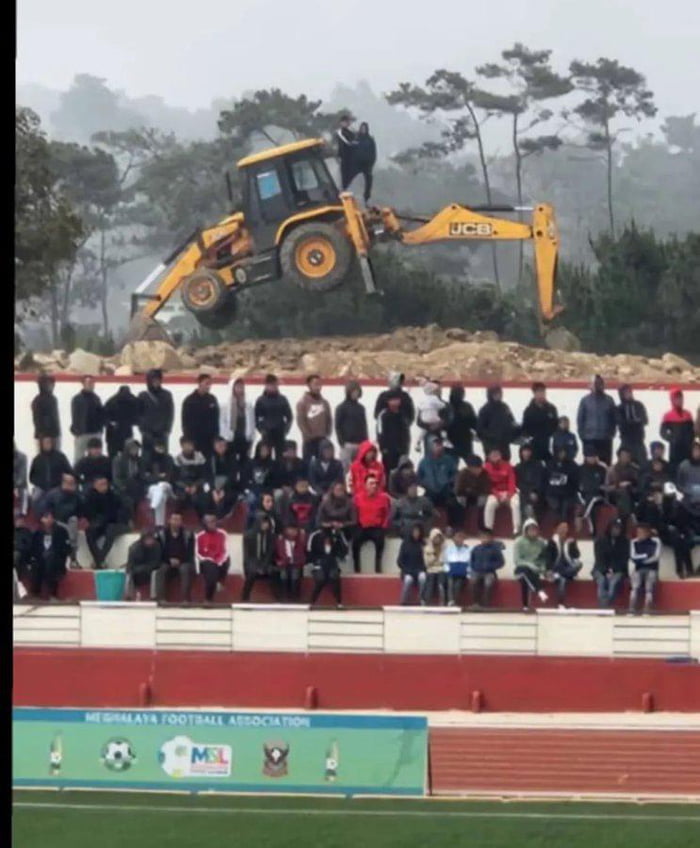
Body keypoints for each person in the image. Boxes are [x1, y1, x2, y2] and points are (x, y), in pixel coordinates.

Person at [82, 476, 129, 569]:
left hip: (115, 523)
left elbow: (121, 512)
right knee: (89, 532)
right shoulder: (89, 496)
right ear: (95, 485)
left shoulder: (114, 495)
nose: (104, 487)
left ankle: (99, 560)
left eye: (105, 484)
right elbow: (88, 513)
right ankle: (100, 560)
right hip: (99, 523)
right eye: (101, 484)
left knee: (110, 530)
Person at [352, 475, 391, 573]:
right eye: (371, 483)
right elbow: (354, 513)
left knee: (380, 541)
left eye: (376, 483)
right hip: (362, 527)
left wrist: (384, 526)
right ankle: (357, 569)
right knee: (355, 542)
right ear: (365, 485)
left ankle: (378, 568)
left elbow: (387, 514)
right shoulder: (358, 498)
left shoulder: (383, 498)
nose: (374, 486)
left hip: (376, 527)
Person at [28, 511, 71, 600]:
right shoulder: (38, 532)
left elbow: (67, 548)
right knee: (36, 565)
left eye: (49, 517)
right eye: (45, 518)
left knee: (50, 563)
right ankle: (35, 593)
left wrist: (58, 555)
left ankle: (52, 594)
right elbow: (33, 548)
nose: (47, 520)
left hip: (57, 559)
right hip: (40, 559)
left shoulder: (61, 531)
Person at [43, 473, 82, 568]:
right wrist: (48, 517)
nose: (70, 484)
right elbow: (46, 509)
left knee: (73, 522)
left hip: (70, 522)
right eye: (68, 482)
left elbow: (81, 510)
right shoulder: (52, 494)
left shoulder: (76, 496)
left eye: (72, 482)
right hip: (56, 521)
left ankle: (73, 558)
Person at [576, 375, 616, 466]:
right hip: (589, 439)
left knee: (605, 465)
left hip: (605, 439)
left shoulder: (609, 400)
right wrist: (582, 435)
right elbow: (580, 419)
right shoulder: (585, 401)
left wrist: (611, 434)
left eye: (600, 384)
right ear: (590, 385)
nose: (598, 386)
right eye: (595, 384)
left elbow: (613, 419)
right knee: (589, 466)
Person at [155, 512, 196, 602]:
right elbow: (159, 552)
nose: (176, 522)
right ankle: (161, 599)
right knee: (161, 570)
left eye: (178, 520)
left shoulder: (188, 535)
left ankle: (185, 599)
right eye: (174, 519)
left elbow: (190, 553)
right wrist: (169, 560)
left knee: (185, 569)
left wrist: (179, 560)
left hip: (183, 561)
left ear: (181, 522)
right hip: (166, 561)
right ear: (169, 521)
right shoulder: (161, 535)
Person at [138, 369, 174, 461]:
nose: (156, 382)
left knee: (162, 459)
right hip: (147, 433)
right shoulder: (143, 396)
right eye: (153, 380)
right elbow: (139, 415)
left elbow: (170, 414)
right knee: (147, 459)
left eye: (158, 380)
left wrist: (167, 430)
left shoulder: (167, 395)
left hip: (162, 433)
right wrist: (143, 430)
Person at [254, 374, 293, 460]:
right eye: (271, 385)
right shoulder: (261, 400)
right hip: (267, 433)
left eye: (275, 384)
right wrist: (261, 430)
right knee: (266, 457)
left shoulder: (282, 399)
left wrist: (286, 429)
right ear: (266, 385)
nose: (273, 387)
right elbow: (256, 418)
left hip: (280, 433)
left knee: (281, 458)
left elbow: (289, 417)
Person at [200, 436, 240, 520]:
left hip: (227, 486)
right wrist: (213, 490)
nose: (221, 448)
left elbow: (233, 476)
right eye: (219, 445)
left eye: (223, 445)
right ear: (214, 446)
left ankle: (220, 518)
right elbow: (207, 476)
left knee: (229, 497)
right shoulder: (210, 458)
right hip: (212, 486)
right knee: (205, 495)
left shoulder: (232, 458)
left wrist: (223, 490)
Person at [29, 436, 72, 512]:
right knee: (34, 499)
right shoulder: (37, 459)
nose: (47, 445)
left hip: (57, 486)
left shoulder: (60, 457)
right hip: (41, 487)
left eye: (49, 442)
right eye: (45, 443)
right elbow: (31, 477)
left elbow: (69, 472)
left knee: (57, 498)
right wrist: (39, 483)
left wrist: (63, 482)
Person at [513, 518, 549, 610]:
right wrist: (529, 565)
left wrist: (543, 568)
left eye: (534, 529)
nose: (533, 531)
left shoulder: (541, 542)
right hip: (521, 568)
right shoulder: (519, 541)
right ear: (525, 530)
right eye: (530, 529)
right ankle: (539, 590)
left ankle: (525, 606)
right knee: (525, 572)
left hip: (535, 570)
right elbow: (517, 560)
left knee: (526, 579)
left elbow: (543, 558)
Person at [181, 374, 220, 460]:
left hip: (209, 441)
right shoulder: (189, 400)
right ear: (199, 383)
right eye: (206, 383)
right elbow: (185, 422)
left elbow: (216, 420)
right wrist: (188, 439)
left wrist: (216, 438)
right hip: (194, 440)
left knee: (207, 464)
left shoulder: (212, 399)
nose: (209, 386)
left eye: (210, 384)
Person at [592, 518, 629, 608]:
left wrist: (613, 570)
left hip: (618, 570)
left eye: (619, 528)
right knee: (601, 581)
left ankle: (606, 605)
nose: (617, 530)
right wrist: (606, 571)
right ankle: (603, 607)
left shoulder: (625, 542)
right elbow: (599, 558)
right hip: (600, 569)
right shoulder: (600, 541)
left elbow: (624, 559)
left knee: (613, 583)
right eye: (615, 528)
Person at [296, 374, 332, 464]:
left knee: (322, 465)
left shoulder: (325, 403)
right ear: (309, 385)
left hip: (322, 440)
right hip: (309, 441)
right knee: (307, 465)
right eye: (315, 384)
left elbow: (329, 419)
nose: (318, 387)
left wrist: (327, 433)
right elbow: (301, 421)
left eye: (319, 384)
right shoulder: (302, 402)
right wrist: (308, 435)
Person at [483, 448, 520, 536]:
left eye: (497, 454)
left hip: (509, 492)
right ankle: (488, 529)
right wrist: (498, 496)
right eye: (493, 455)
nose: (495, 457)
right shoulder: (486, 467)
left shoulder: (508, 466)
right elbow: (488, 484)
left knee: (516, 504)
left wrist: (509, 495)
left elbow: (512, 482)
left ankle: (516, 530)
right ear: (489, 456)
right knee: (489, 504)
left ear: (500, 456)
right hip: (494, 493)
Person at [545, 521, 582, 609]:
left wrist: (572, 545)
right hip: (556, 566)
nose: (564, 530)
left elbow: (577, 555)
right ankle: (560, 603)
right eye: (561, 528)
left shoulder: (570, 540)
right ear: (556, 530)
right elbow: (548, 557)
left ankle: (559, 574)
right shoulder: (552, 542)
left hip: (567, 566)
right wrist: (549, 569)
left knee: (579, 564)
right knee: (562, 580)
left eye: (566, 528)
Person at [308, 525, 347, 607]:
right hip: (319, 563)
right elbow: (309, 551)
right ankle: (312, 602)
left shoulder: (337, 536)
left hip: (332, 563)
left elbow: (344, 549)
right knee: (320, 579)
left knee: (334, 577)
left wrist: (339, 538)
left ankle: (339, 602)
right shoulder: (315, 536)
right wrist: (315, 563)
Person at [476, 385, 518, 461]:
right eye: (496, 394)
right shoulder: (485, 410)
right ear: (490, 395)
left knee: (505, 464)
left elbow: (512, 422)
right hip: (491, 447)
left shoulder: (505, 407)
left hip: (504, 445)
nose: (498, 395)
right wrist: (494, 436)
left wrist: (514, 433)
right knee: (492, 466)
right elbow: (480, 430)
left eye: (500, 393)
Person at [241, 513, 276, 602]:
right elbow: (247, 555)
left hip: (265, 561)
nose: (265, 525)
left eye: (267, 523)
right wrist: (254, 566)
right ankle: (245, 596)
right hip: (253, 561)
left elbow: (269, 553)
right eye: (263, 523)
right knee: (251, 572)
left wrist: (264, 565)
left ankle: (277, 597)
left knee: (276, 571)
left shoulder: (271, 536)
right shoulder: (248, 535)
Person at [334, 380, 368, 472]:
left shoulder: (361, 408)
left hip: (360, 443)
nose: (355, 393)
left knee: (360, 469)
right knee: (344, 469)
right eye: (353, 391)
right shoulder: (341, 408)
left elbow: (364, 426)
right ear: (348, 392)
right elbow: (337, 426)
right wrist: (341, 442)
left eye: (357, 391)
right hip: (347, 444)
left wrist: (365, 442)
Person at [219, 376, 255, 464]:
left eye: (241, 387)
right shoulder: (225, 405)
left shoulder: (248, 405)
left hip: (245, 438)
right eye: (237, 387)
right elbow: (222, 422)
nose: (240, 389)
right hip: (231, 439)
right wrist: (226, 436)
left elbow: (252, 422)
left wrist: (251, 437)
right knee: (230, 463)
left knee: (244, 463)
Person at [195, 513, 230, 602]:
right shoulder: (200, 535)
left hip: (220, 560)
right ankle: (208, 598)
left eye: (213, 521)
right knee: (211, 570)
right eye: (209, 522)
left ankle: (220, 582)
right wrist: (209, 560)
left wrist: (219, 561)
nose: (212, 524)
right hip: (206, 561)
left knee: (227, 560)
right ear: (204, 523)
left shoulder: (223, 534)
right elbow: (198, 553)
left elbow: (226, 550)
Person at [241, 441, 279, 523]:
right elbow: (244, 479)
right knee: (250, 499)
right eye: (262, 450)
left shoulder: (273, 464)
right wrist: (249, 489)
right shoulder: (250, 463)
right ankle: (250, 523)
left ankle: (271, 522)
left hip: (267, 490)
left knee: (270, 500)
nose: (264, 452)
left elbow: (275, 481)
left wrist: (266, 492)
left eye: (266, 450)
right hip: (253, 490)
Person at [70, 375, 104, 464]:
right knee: (79, 458)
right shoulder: (77, 399)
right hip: (82, 433)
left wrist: (100, 429)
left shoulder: (96, 399)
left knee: (96, 458)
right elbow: (74, 415)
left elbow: (101, 414)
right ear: (83, 384)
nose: (90, 385)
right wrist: (77, 431)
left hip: (95, 432)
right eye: (88, 383)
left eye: (92, 383)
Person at [660, 387, 695, 474]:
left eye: (681, 398)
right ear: (672, 400)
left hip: (688, 448)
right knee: (676, 469)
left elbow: (692, 430)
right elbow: (662, 432)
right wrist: (672, 439)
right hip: (675, 449)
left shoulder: (688, 414)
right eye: (677, 399)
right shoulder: (668, 415)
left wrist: (692, 440)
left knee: (688, 469)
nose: (680, 401)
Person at [417, 437, 458, 510]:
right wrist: (425, 484)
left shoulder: (449, 460)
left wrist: (449, 483)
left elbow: (455, 474)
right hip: (429, 491)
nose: (439, 447)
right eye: (436, 445)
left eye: (440, 444)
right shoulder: (424, 462)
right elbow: (418, 477)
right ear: (431, 447)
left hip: (445, 491)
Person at [629, 523, 661, 614]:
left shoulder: (656, 541)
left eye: (642, 532)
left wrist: (642, 560)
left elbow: (656, 557)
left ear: (648, 533)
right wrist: (645, 556)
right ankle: (631, 609)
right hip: (638, 569)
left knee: (649, 589)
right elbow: (633, 556)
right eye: (638, 532)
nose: (639, 534)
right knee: (634, 588)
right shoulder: (634, 542)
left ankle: (647, 609)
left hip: (652, 569)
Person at [469, 527, 505, 609]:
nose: (485, 539)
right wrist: (475, 567)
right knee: (473, 581)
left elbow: (501, 562)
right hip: (477, 571)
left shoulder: (495, 549)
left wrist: (490, 566)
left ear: (491, 538)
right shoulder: (476, 549)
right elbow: (471, 561)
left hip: (489, 572)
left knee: (488, 583)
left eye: (487, 537)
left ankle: (486, 605)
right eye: (482, 537)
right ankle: (476, 603)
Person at [521, 382, 558, 461]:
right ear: (534, 393)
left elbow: (555, 426)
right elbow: (525, 429)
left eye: (543, 392)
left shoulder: (551, 409)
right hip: (534, 446)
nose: (542, 395)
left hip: (547, 445)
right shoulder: (529, 411)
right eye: (539, 392)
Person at [112, 438, 147, 521]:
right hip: (122, 487)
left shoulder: (140, 460)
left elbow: (142, 476)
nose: (135, 450)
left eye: (137, 448)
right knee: (127, 501)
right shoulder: (118, 460)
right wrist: (122, 487)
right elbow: (116, 477)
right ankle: (129, 521)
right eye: (133, 448)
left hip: (136, 487)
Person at [576, 445, 607, 536]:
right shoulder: (580, 469)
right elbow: (578, 484)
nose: (592, 458)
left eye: (594, 456)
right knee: (588, 504)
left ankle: (581, 517)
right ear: (586, 457)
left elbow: (605, 484)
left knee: (591, 500)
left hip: (598, 495)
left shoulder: (602, 469)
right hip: (584, 495)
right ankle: (591, 529)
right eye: (590, 456)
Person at [452, 455, 491, 530]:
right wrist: (468, 491)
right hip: (464, 495)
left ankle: (482, 528)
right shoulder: (463, 474)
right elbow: (458, 490)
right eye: (474, 468)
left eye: (479, 468)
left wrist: (472, 491)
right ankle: (459, 528)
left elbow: (486, 489)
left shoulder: (484, 474)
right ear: (469, 468)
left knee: (484, 501)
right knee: (458, 502)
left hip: (478, 496)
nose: (477, 471)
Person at [144, 439, 176, 527]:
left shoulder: (169, 459)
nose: (160, 449)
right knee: (161, 496)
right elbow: (145, 477)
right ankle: (159, 525)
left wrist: (156, 477)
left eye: (162, 447)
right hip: (152, 488)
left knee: (162, 485)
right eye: (158, 447)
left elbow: (170, 475)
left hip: (167, 486)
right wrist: (158, 477)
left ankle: (152, 507)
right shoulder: (148, 460)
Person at [604, 447, 639, 526]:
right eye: (623, 455)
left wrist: (630, 486)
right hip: (615, 495)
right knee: (623, 494)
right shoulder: (611, 470)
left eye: (627, 456)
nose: (625, 458)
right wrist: (619, 485)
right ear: (619, 456)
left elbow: (639, 486)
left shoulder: (635, 470)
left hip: (631, 494)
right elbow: (606, 488)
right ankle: (624, 520)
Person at [103, 384, 140, 459]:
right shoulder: (132, 400)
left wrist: (110, 423)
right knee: (127, 456)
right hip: (124, 432)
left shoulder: (112, 400)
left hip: (113, 433)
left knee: (113, 456)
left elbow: (104, 416)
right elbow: (138, 416)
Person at [545, 445, 580, 524]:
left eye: (563, 452)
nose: (562, 454)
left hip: (567, 494)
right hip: (552, 494)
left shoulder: (572, 465)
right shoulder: (549, 465)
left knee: (565, 507)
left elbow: (575, 482)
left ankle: (563, 525)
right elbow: (545, 480)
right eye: (560, 452)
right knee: (555, 506)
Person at [377, 393, 411, 475]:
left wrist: (405, 449)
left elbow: (406, 434)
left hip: (401, 451)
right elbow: (380, 432)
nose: (395, 402)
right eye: (392, 400)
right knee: (388, 473)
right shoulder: (383, 415)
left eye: (397, 400)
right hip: (388, 451)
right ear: (388, 401)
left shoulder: (402, 415)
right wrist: (383, 448)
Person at [616, 384, 648, 466]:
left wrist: (634, 422)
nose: (628, 394)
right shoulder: (619, 408)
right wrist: (634, 422)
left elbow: (644, 420)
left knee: (642, 463)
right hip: (626, 440)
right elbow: (621, 423)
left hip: (639, 440)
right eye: (625, 393)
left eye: (629, 392)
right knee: (624, 463)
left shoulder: (639, 405)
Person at [125, 530, 162, 601]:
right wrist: (135, 570)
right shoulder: (134, 548)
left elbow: (157, 562)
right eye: (147, 539)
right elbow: (130, 565)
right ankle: (129, 596)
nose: (150, 541)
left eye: (151, 539)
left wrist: (146, 568)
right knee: (129, 574)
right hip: (137, 571)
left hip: (151, 569)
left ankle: (153, 597)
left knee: (155, 573)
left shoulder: (157, 546)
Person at [514, 442, 546, 525]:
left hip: (538, 492)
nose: (526, 453)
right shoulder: (518, 467)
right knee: (524, 502)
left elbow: (540, 480)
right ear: (521, 453)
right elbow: (518, 483)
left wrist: (535, 491)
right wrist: (529, 492)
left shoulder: (538, 465)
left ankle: (536, 524)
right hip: (525, 492)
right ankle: (526, 524)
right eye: (524, 451)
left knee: (538, 502)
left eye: (528, 451)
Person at [174, 437, 207, 514]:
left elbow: (204, 475)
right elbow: (175, 478)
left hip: (197, 484)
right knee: (180, 498)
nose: (188, 447)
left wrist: (196, 486)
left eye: (190, 445)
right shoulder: (177, 459)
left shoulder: (200, 457)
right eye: (186, 445)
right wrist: (185, 487)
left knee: (201, 498)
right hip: (183, 486)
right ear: (182, 446)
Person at [274, 522, 306, 602]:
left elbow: (303, 554)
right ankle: (283, 597)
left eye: (294, 530)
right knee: (283, 577)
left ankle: (294, 598)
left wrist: (300, 561)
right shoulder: (280, 541)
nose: (292, 532)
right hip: (283, 563)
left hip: (295, 564)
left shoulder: (300, 541)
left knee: (294, 578)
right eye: (290, 530)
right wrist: (278, 561)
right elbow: (275, 553)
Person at [445, 385, 477, 464]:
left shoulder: (466, 406)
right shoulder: (447, 407)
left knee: (471, 464)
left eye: (461, 393)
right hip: (452, 441)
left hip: (464, 441)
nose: (460, 395)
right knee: (451, 466)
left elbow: (474, 422)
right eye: (459, 393)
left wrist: (479, 432)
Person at [416, 379, 450, 451]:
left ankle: (418, 442)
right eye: (437, 389)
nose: (439, 391)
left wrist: (439, 424)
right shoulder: (429, 402)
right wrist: (429, 426)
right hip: (429, 436)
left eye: (440, 389)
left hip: (440, 436)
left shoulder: (447, 406)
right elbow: (419, 421)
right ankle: (418, 443)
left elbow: (449, 420)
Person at [397, 523, 427, 605]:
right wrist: (406, 570)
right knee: (408, 580)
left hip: (419, 570)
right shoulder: (405, 544)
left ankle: (421, 598)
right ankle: (403, 601)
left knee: (423, 577)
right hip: (407, 570)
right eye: (415, 531)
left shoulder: (423, 544)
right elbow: (399, 561)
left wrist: (422, 569)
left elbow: (425, 560)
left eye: (418, 532)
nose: (416, 533)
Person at [31, 374, 61, 449]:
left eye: (52, 384)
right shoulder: (38, 400)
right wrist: (44, 435)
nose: (51, 386)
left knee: (56, 454)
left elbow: (55, 418)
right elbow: (37, 420)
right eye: (48, 384)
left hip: (54, 434)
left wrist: (57, 432)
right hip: (44, 435)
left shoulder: (53, 399)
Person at [443, 529, 471, 607]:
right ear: (453, 539)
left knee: (458, 584)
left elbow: (470, 563)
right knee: (450, 581)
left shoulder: (467, 550)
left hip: (462, 573)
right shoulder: (448, 549)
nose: (459, 539)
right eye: (457, 537)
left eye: (461, 537)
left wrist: (468, 572)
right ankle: (450, 601)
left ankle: (455, 601)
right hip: (451, 572)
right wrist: (448, 570)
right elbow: (445, 562)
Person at [422, 528, 446, 606]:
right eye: (435, 537)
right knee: (430, 581)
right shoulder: (427, 549)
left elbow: (443, 561)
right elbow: (427, 563)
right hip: (430, 570)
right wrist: (435, 555)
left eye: (438, 537)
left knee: (441, 582)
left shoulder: (444, 548)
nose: (437, 539)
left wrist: (438, 561)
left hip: (441, 569)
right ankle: (426, 601)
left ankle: (443, 600)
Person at [355, 122, 377, 204]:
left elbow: (374, 153)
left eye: (364, 128)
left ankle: (366, 197)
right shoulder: (356, 139)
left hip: (367, 164)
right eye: (362, 128)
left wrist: (371, 163)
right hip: (357, 164)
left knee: (369, 180)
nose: (363, 130)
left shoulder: (370, 140)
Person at [336, 114, 357, 191]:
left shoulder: (351, 132)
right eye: (345, 121)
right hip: (344, 157)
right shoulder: (340, 132)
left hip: (351, 157)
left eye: (348, 121)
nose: (347, 123)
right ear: (341, 122)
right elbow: (347, 143)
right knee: (345, 177)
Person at [14, 442, 28, 516]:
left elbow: (22, 475)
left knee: (23, 488)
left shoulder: (22, 457)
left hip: (19, 483)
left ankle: (23, 511)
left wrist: (16, 485)